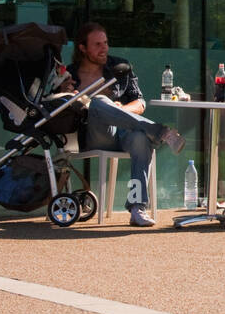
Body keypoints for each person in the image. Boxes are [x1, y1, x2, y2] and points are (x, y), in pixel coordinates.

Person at [68, 22, 183, 227]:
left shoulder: (119, 68)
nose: (104, 48)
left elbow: (140, 102)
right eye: (97, 45)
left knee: (140, 139)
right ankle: (161, 131)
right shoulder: (70, 75)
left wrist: (121, 110)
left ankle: (137, 207)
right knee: (100, 102)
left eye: (106, 43)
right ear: (82, 48)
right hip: (95, 134)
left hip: (125, 133)